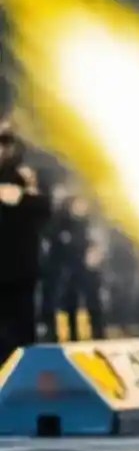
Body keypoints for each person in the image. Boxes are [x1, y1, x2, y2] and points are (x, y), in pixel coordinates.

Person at [0, 120, 52, 364]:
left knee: (22, 333)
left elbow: (45, 211)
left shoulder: (24, 176)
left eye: (5, 143)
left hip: (21, 269)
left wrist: (25, 195)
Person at [45, 190, 105, 341]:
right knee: (69, 302)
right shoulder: (61, 225)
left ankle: (98, 333)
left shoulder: (89, 224)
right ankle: (71, 335)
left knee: (92, 302)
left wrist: (95, 253)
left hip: (88, 269)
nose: (81, 207)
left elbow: (97, 244)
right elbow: (56, 245)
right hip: (69, 269)